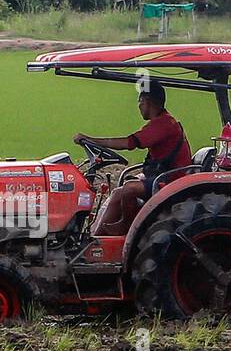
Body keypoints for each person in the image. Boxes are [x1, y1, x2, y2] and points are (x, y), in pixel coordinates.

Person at [74, 82, 192, 236]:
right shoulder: (161, 122)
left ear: (148, 101)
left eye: (140, 101)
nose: (139, 106)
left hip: (170, 179)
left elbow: (129, 143)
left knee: (130, 189)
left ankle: (128, 228)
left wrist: (91, 139)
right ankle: (96, 237)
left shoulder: (163, 125)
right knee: (117, 193)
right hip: (161, 175)